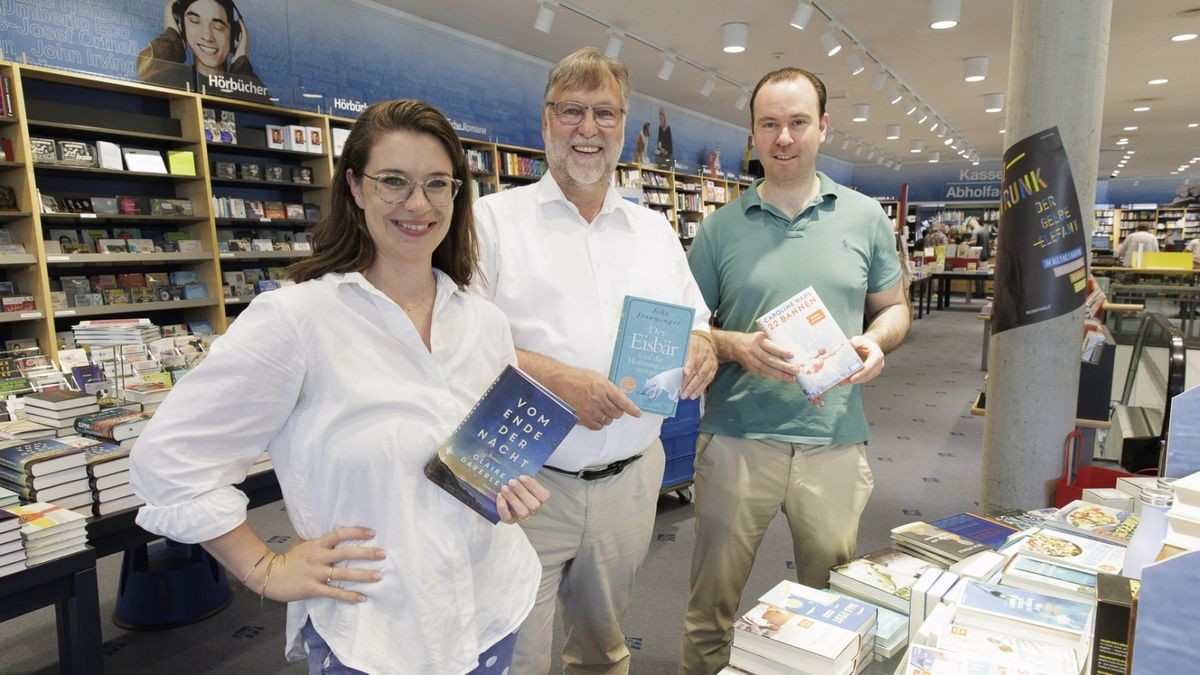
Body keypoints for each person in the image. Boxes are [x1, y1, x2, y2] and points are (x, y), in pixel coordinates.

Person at [129, 99, 550, 674]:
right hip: (375, 632)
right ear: (354, 186)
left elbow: (474, 462)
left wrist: (506, 486)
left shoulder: (483, 322)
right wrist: (264, 569)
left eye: (437, 185)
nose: (418, 204)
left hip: (490, 611)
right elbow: (170, 460)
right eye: (393, 182)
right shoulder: (298, 320)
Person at [472, 47, 717, 674]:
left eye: (605, 113)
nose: (588, 129)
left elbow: (697, 324)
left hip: (632, 483)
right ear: (546, 121)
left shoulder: (655, 231)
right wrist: (554, 379)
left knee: (604, 651)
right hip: (523, 479)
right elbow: (453, 344)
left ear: (624, 125)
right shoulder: (489, 222)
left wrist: (700, 348)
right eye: (572, 111)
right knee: (511, 654)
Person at [679, 67, 910, 674]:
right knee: (711, 609)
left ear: (823, 127)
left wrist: (877, 342)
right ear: (752, 133)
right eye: (770, 124)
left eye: (798, 122)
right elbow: (690, 328)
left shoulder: (864, 219)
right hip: (736, 440)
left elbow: (895, 310)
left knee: (832, 612)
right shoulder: (719, 228)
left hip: (832, 439)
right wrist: (734, 344)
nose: (784, 137)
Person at [138, 0, 266, 90]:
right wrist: (173, 40)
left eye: (218, 26)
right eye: (195, 21)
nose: (208, 36)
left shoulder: (242, 85)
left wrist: (241, 64)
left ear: (235, 35)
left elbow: (262, 109)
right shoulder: (175, 79)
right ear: (181, 27)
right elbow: (147, 76)